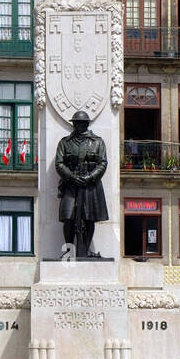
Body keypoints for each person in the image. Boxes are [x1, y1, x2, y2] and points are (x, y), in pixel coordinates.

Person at [55, 110, 109, 258]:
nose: (78, 126)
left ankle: (85, 249)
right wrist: (72, 177)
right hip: (70, 185)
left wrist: (89, 177)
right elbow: (59, 164)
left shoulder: (98, 142)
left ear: (87, 124)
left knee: (89, 218)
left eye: (81, 123)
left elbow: (103, 163)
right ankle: (68, 250)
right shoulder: (65, 142)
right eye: (76, 123)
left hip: (90, 185)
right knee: (67, 217)